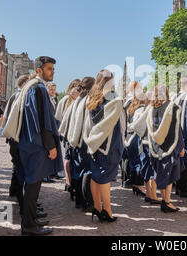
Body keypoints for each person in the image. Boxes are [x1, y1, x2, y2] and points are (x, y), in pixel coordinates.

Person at [3, 56, 64, 236]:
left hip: (27, 143)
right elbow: (43, 120)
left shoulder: (30, 87)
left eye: (53, 69)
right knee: (33, 185)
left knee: (30, 184)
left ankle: (31, 220)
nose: (52, 72)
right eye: (49, 69)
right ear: (39, 70)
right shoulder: (38, 89)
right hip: (35, 145)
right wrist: (51, 146)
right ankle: (29, 227)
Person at [83, 69, 124, 222]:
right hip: (108, 144)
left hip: (94, 144)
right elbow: (108, 125)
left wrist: (91, 141)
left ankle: (97, 207)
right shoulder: (113, 99)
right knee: (105, 178)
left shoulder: (92, 98)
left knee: (96, 176)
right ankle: (107, 210)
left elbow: (89, 124)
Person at [146, 85, 185, 213]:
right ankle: (166, 202)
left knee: (161, 173)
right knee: (169, 174)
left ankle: (164, 200)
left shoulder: (152, 109)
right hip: (169, 146)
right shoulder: (171, 107)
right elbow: (176, 129)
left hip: (156, 147)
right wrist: (181, 146)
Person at [61, 77, 95, 210]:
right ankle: (86, 201)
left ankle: (79, 200)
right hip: (82, 141)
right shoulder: (87, 101)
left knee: (79, 171)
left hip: (74, 140)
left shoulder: (77, 100)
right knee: (86, 171)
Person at [129, 90, 159, 204]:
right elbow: (136, 126)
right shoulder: (149, 109)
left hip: (143, 142)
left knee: (147, 168)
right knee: (152, 169)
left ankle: (149, 194)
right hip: (149, 142)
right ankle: (153, 195)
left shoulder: (141, 110)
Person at [2, 75, 29, 199]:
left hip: (13, 136)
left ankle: (13, 190)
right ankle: (19, 193)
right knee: (19, 165)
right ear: (24, 83)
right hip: (17, 136)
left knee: (16, 164)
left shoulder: (14, 95)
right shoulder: (20, 96)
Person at [124, 82, 147, 197]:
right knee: (138, 163)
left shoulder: (128, 105)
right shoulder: (141, 108)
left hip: (128, 136)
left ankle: (134, 185)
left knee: (133, 162)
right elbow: (139, 124)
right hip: (136, 136)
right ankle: (139, 186)